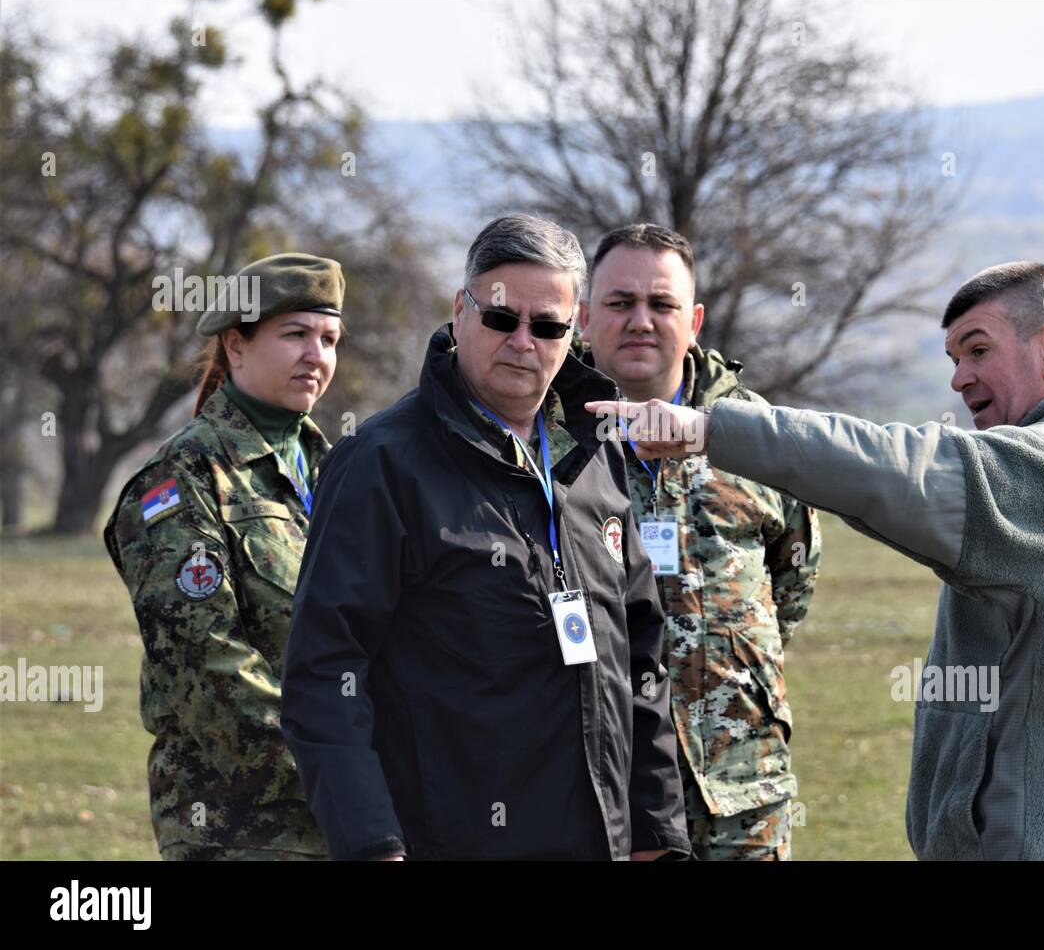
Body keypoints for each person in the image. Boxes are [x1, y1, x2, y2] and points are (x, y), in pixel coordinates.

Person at [589, 261, 1044, 860]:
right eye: (953, 359)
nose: (959, 379)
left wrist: (709, 430)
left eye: (978, 350)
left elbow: (892, 467)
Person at [281, 215, 689, 861]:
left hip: (600, 838)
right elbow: (326, 669)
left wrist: (655, 832)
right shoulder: (381, 462)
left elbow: (641, 653)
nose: (523, 341)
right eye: (502, 318)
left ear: (575, 327)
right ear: (461, 310)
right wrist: (371, 842)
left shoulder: (594, 451)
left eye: (548, 326)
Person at [577, 224, 821, 860]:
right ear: (581, 316)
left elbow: (791, 583)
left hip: (740, 786)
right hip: (599, 794)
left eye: (662, 305)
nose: (640, 321)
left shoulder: (753, 436)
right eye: (619, 303)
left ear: (695, 321)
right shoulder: (544, 439)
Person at [104, 252, 345, 860]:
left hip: (348, 821)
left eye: (328, 338)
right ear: (236, 346)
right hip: (246, 831)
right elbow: (209, 671)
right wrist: (345, 772)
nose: (316, 356)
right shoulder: (181, 480)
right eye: (295, 335)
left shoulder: (339, 469)